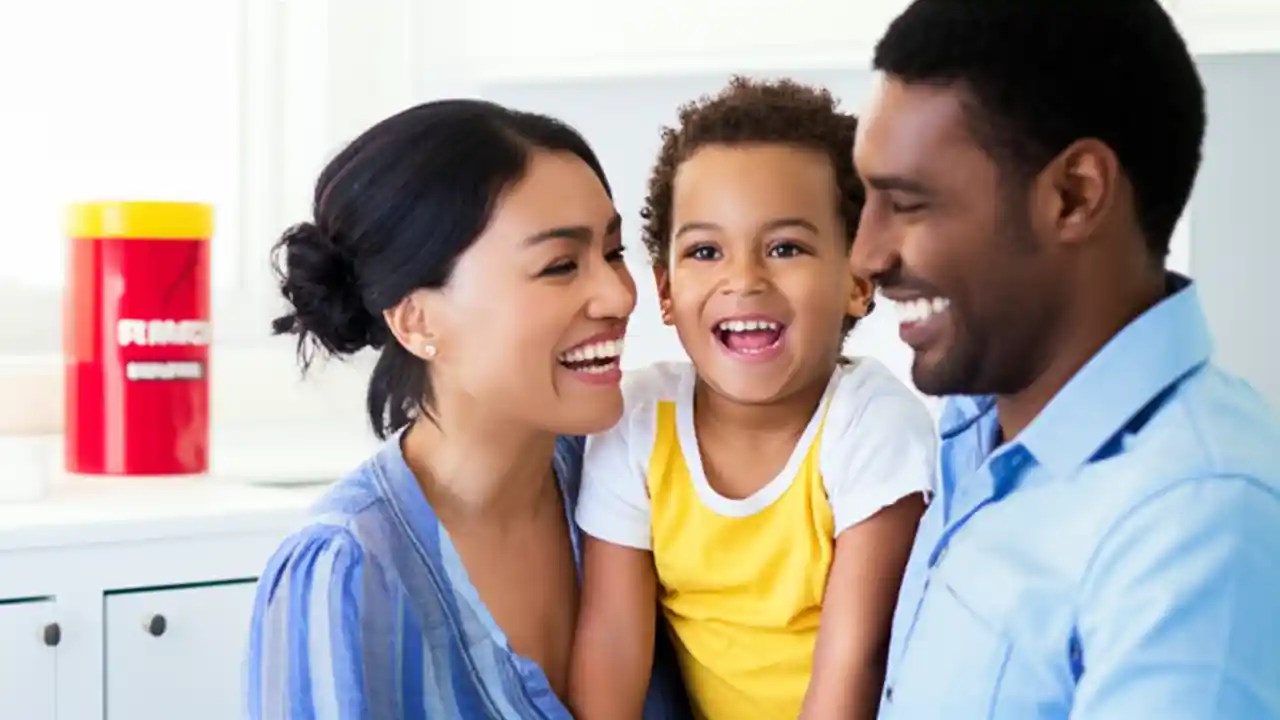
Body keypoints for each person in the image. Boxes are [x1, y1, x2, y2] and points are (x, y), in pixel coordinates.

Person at [852, 1, 1280, 718]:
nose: (866, 254)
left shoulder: (1198, 524)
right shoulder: (977, 418)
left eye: (910, 204)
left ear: (1074, 195)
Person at [243, 99, 688, 719]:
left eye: (613, 254)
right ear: (418, 319)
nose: (618, 295)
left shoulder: (640, 472)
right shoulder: (345, 572)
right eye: (560, 266)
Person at [569, 77, 937, 720]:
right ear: (665, 289)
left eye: (785, 248)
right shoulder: (637, 421)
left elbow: (856, 660)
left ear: (856, 280)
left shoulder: (871, 425)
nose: (743, 279)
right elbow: (611, 644)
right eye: (705, 251)